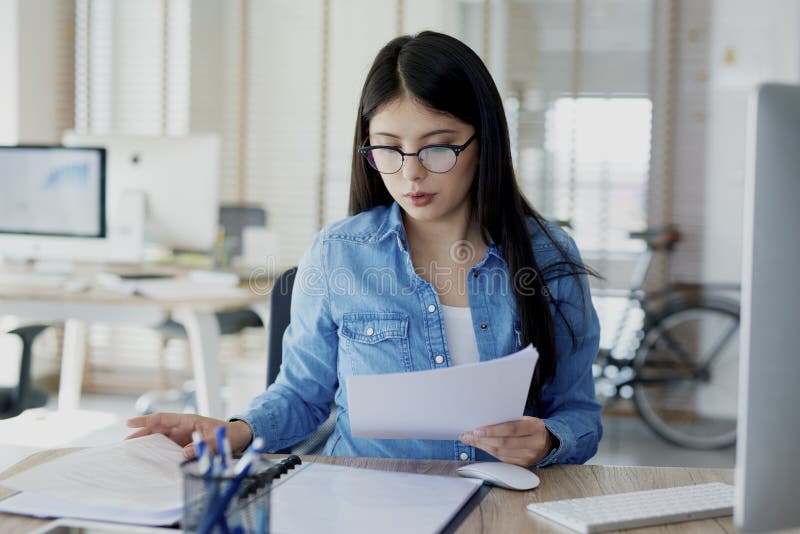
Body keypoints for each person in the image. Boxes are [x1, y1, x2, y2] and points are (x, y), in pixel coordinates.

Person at [127, 31, 602, 468]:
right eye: (389, 149)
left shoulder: (548, 257)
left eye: (438, 148)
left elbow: (579, 413)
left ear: (485, 141)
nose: (410, 174)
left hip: (499, 501)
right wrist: (239, 431)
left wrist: (548, 440)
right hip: (365, 498)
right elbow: (300, 396)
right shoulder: (339, 253)